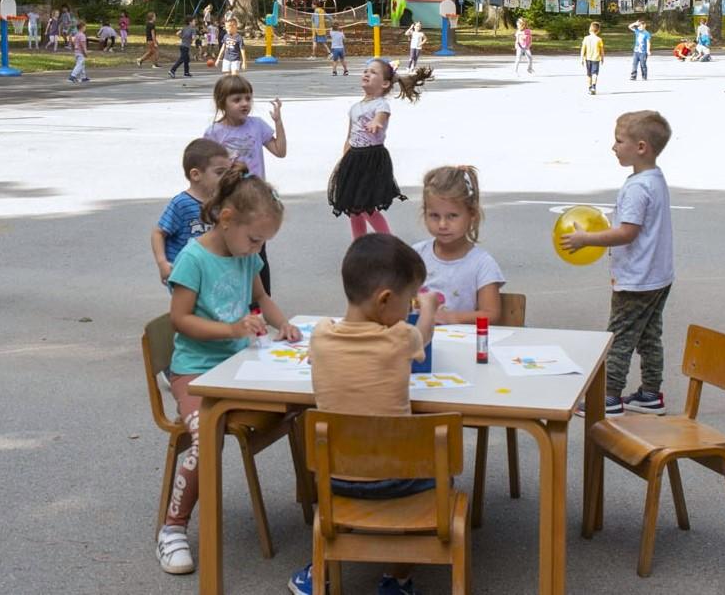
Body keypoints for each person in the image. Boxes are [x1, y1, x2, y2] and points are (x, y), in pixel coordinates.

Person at [156, 167, 301, 576]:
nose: (257, 248)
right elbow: (180, 319)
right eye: (255, 239)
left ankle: (317, 503)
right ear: (226, 219)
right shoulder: (194, 258)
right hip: (196, 373)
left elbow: (261, 296)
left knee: (301, 404)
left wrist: (283, 323)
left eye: (263, 242)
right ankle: (173, 528)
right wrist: (232, 329)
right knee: (206, 442)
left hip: (240, 366)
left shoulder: (245, 254)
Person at [287, 234, 441, 595]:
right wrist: (430, 307)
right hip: (402, 482)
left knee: (344, 475)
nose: (410, 310)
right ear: (385, 299)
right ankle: (396, 578)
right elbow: (425, 334)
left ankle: (321, 568)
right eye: (408, 301)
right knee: (439, 478)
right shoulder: (401, 337)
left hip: (333, 481)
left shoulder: (321, 336)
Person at [561, 110, 674, 415]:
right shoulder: (654, 178)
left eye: (619, 140)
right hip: (658, 275)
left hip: (637, 278)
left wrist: (586, 239)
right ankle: (651, 393)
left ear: (641, 147)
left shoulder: (638, 187)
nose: (613, 146)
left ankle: (608, 396)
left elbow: (627, 232)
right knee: (650, 335)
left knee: (619, 336)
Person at [328, 59, 432, 240]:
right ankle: (358, 244)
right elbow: (349, 136)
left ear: (384, 84)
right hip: (354, 159)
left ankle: (389, 243)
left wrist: (377, 122)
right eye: (366, 70)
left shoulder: (381, 105)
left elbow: (381, 118)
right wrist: (344, 162)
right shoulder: (354, 108)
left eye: (373, 72)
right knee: (353, 208)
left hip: (372, 160)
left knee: (366, 207)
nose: (367, 74)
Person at [203, 75, 287, 294]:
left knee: (258, 253)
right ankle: (230, 298)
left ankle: (261, 301)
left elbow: (280, 151)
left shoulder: (257, 125)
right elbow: (207, 169)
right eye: (237, 99)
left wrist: (278, 121)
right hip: (229, 201)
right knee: (230, 251)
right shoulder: (214, 132)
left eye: (248, 98)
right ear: (223, 103)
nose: (244, 104)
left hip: (256, 200)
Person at [412, 165, 504, 325]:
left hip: (461, 344)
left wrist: (452, 318)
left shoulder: (482, 263)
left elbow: (492, 314)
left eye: (452, 216)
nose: (442, 224)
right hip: (418, 343)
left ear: (472, 215)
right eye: (434, 215)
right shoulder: (416, 255)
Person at [150, 139, 232, 284]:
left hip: (212, 270)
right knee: (187, 306)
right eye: (220, 173)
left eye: (228, 173)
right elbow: (158, 233)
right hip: (184, 273)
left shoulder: (223, 202)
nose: (226, 178)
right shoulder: (182, 204)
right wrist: (162, 263)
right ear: (195, 175)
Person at [580, 20, 605, 95]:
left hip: (588, 59)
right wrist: (602, 58)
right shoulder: (599, 39)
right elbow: (601, 50)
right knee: (595, 73)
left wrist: (581, 58)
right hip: (596, 59)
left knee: (589, 74)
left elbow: (583, 49)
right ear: (598, 30)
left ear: (590, 29)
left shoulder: (586, 38)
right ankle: (594, 86)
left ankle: (589, 87)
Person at [68, 19, 90, 84]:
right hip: (81, 52)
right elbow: (83, 45)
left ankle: (83, 77)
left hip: (76, 52)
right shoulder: (82, 35)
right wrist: (85, 52)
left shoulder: (77, 35)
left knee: (82, 65)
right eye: (85, 27)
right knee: (79, 65)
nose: (85, 28)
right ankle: (73, 76)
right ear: (82, 27)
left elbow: (74, 43)